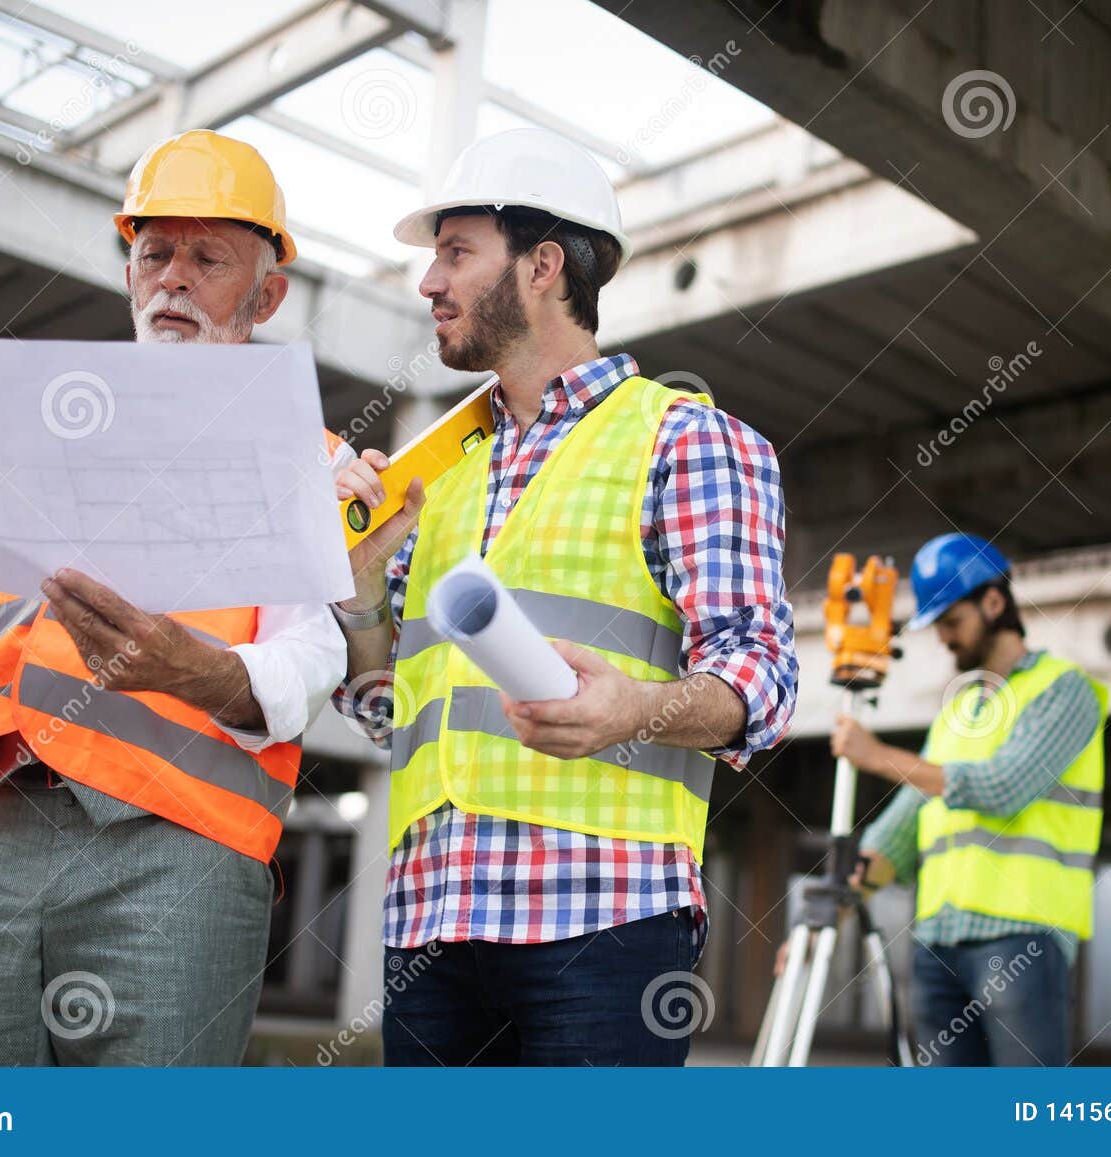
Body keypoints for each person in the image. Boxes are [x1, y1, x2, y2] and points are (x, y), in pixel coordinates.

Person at [0, 130, 353, 1065]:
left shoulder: (304, 459)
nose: (172, 278)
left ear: (266, 296)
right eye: (154, 253)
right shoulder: (27, 428)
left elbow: (314, 660)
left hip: (178, 850)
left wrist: (191, 671)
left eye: (207, 258)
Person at [331, 128, 798, 1066]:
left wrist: (636, 709)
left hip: (603, 921)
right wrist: (361, 589)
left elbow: (764, 678)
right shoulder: (434, 474)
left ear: (542, 267)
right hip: (431, 921)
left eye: (456, 252)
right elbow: (387, 711)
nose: (428, 282)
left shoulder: (686, 440)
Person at [833, 532, 1107, 1066]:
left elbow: (1004, 787)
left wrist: (876, 755)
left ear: (995, 603)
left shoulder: (1063, 689)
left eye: (952, 622)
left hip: (1020, 940)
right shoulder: (960, 712)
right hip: (938, 943)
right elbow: (901, 828)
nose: (944, 638)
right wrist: (835, 908)